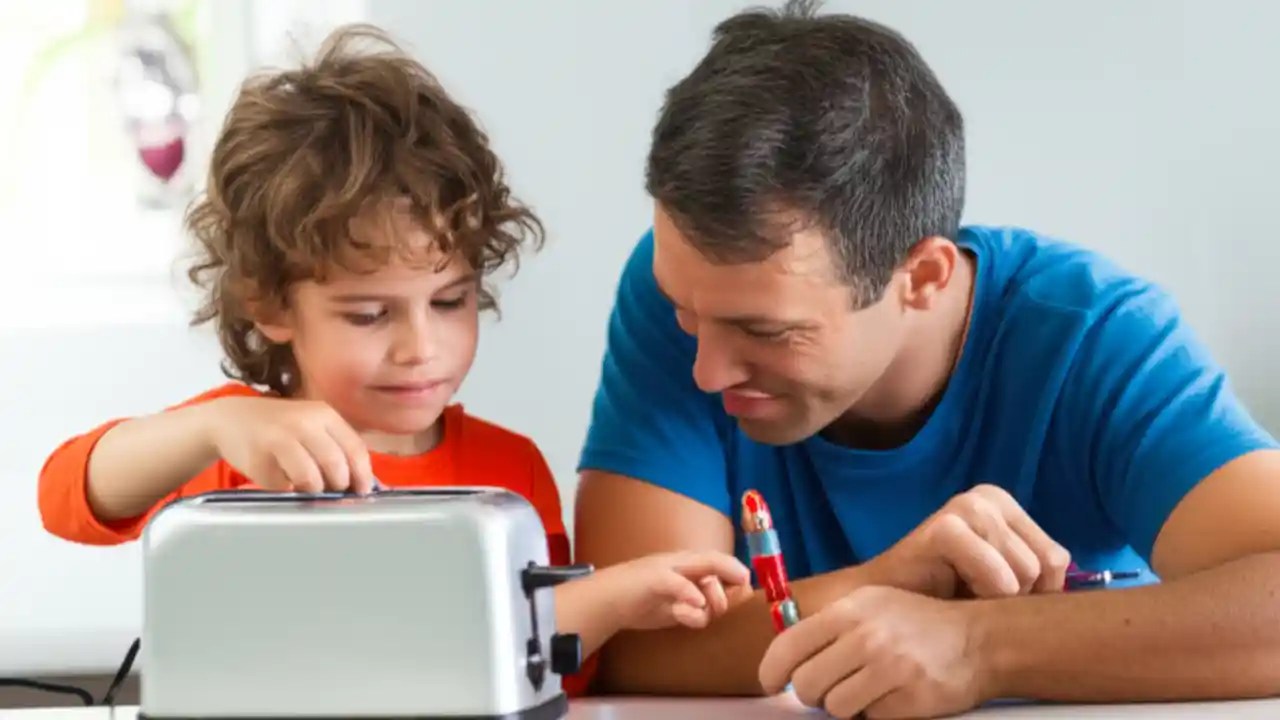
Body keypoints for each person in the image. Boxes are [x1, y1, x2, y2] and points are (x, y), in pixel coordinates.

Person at [573, 1, 1280, 717]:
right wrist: (890, 583)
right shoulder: (702, 286)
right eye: (685, 312)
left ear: (923, 278)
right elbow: (625, 645)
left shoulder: (1095, 335)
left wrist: (978, 647)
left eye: (768, 331)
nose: (706, 371)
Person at [36, 23, 749, 697]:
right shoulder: (233, 446)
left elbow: (536, 672)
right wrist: (211, 427)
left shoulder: (509, 475)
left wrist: (618, 599)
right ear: (270, 303)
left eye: (449, 301)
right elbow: (64, 497)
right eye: (370, 314)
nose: (420, 348)